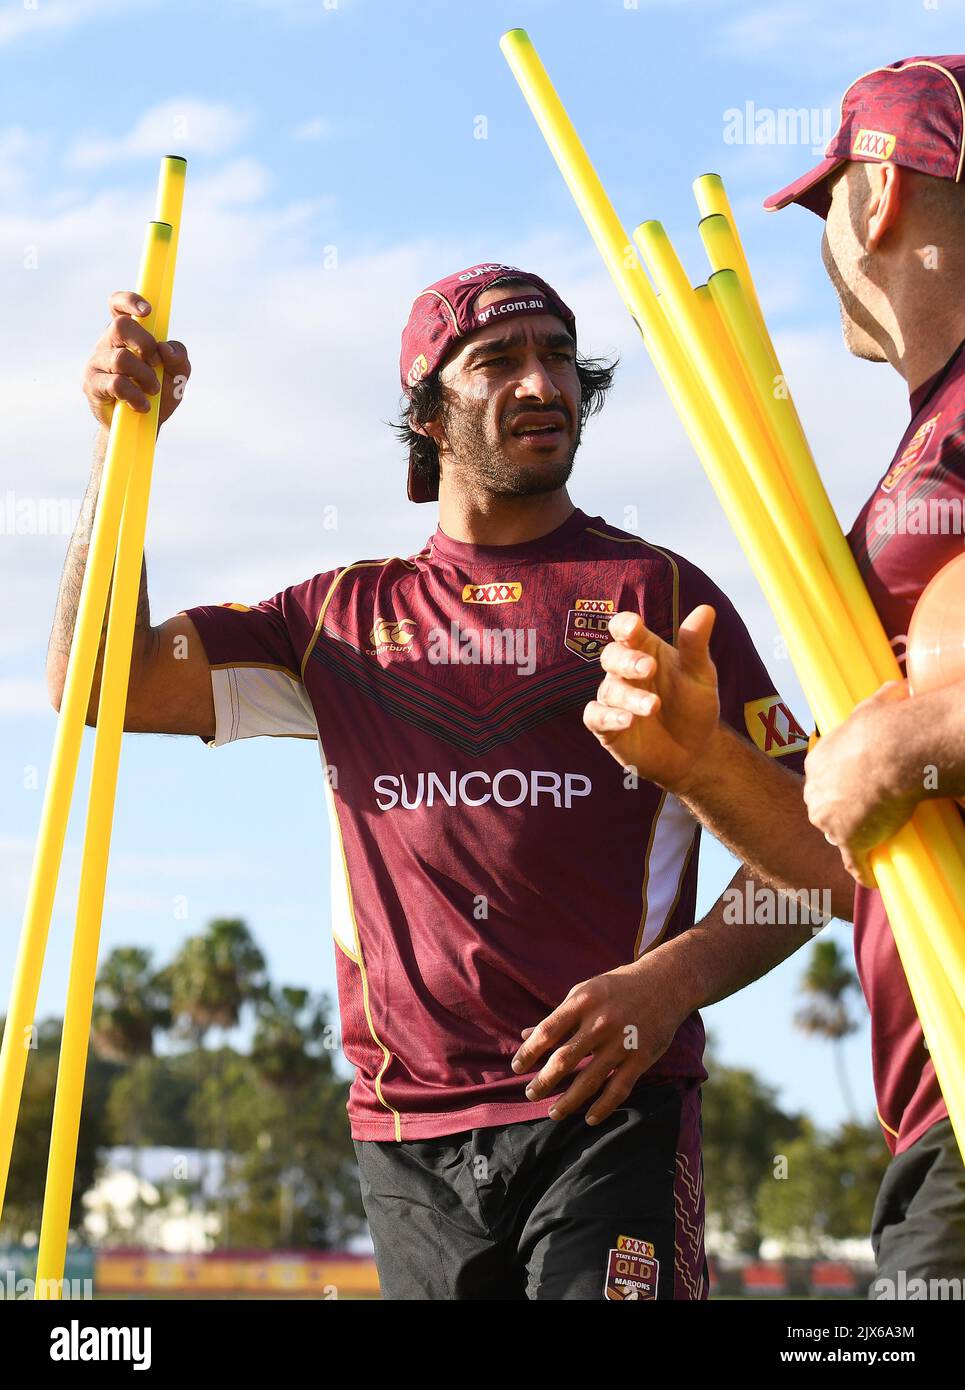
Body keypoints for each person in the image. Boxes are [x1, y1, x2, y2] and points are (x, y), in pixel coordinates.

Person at [50, 263, 849, 1300]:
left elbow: (816, 854)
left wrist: (671, 982)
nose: (542, 383)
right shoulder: (335, 618)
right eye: (498, 360)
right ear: (426, 410)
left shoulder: (657, 598)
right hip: (407, 1137)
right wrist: (121, 453)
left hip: (612, 1113)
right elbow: (97, 680)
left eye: (559, 356)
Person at [585, 55, 965, 1295]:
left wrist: (913, 735)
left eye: (819, 214)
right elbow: (844, 865)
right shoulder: (926, 450)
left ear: (876, 198)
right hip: (933, 1117)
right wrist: (701, 765)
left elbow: (909, 750)